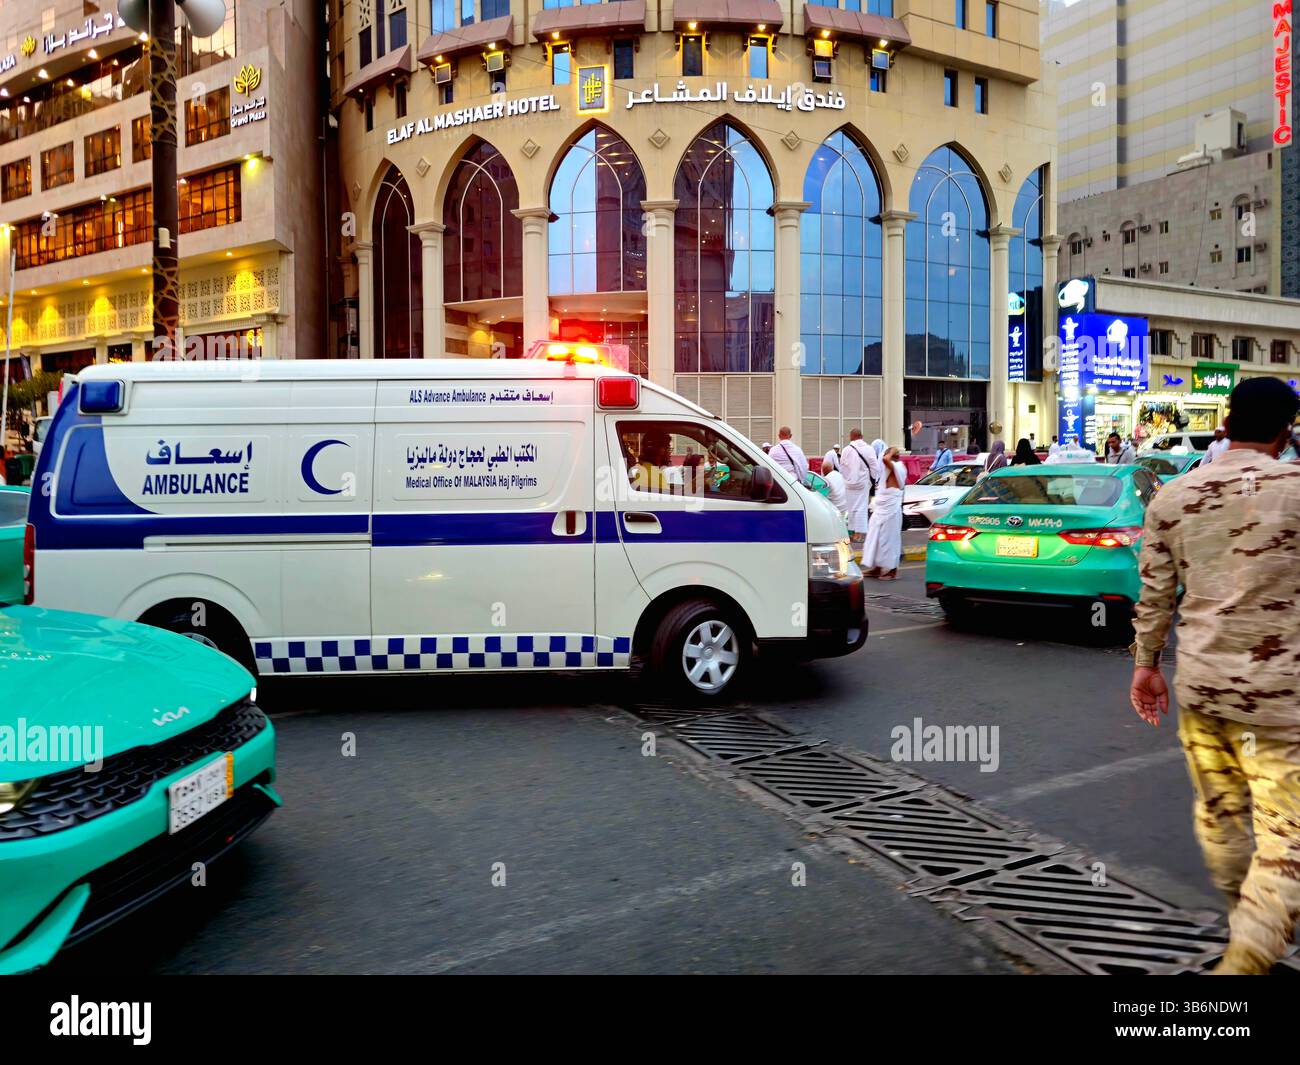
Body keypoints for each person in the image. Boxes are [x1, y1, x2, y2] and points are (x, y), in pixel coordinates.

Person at [1130, 376, 1300, 975]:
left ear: (1225, 426)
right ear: (1287, 432)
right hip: (1285, 700)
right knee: (1287, 847)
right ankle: (1245, 963)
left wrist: (1146, 666)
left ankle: (1245, 918)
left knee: (1220, 813)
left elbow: (1154, 597)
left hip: (1204, 689)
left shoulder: (1173, 497)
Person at [861, 446, 906, 579]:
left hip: (891, 509)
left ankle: (892, 570)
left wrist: (891, 451)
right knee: (875, 537)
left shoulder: (897, 466)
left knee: (889, 539)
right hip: (881, 507)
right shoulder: (888, 468)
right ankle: (877, 568)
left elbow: (885, 459)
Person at [841, 428, 881, 548]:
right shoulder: (869, 449)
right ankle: (860, 534)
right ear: (861, 436)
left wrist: (847, 479)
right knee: (861, 507)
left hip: (849, 484)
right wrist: (874, 480)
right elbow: (875, 467)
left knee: (851, 507)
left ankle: (852, 533)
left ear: (851, 437)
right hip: (863, 483)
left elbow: (842, 467)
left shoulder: (846, 450)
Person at [820, 449, 847, 515]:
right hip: (845, 507)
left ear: (823, 471)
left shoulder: (826, 480)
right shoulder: (838, 474)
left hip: (836, 509)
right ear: (831, 468)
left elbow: (821, 496)